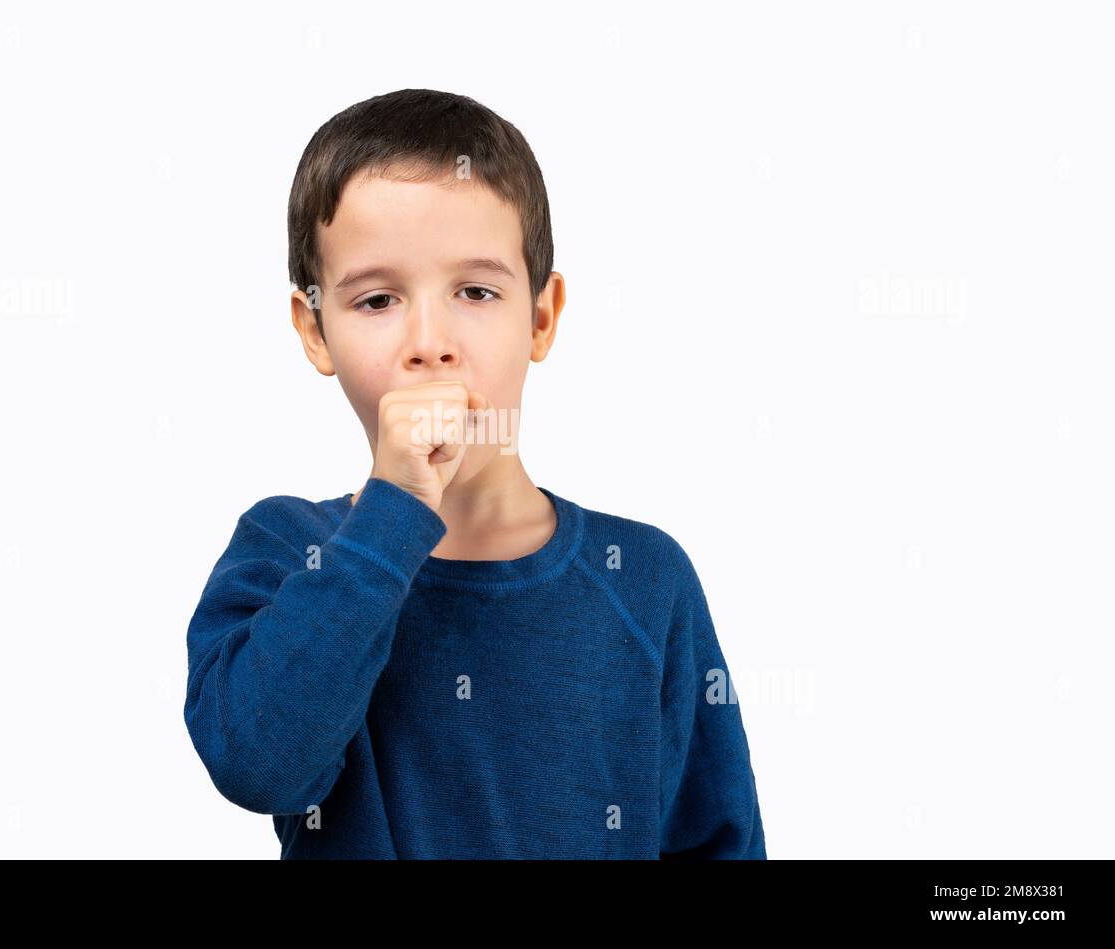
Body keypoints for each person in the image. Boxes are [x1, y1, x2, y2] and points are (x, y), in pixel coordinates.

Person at [183, 88, 766, 859]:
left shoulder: (644, 578)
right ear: (314, 330)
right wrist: (394, 509)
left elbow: (717, 839)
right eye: (379, 298)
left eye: (477, 291)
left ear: (542, 317)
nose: (431, 342)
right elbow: (260, 762)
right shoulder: (291, 551)